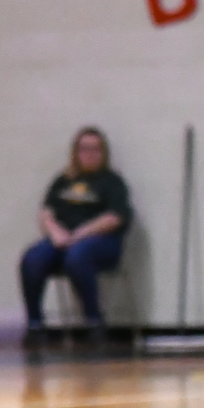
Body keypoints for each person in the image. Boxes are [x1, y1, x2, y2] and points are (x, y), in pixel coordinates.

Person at [21, 126, 132, 344]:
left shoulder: (112, 182)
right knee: (32, 258)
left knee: (78, 255)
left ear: (103, 153)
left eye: (95, 149)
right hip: (64, 239)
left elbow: (115, 217)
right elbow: (46, 212)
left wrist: (83, 232)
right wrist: (55, 232)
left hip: (100, 242)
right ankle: (35, 324)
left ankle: (94, 321)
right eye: (84, 149)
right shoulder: (63, 180)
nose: (89, 154)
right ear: (76, 152)